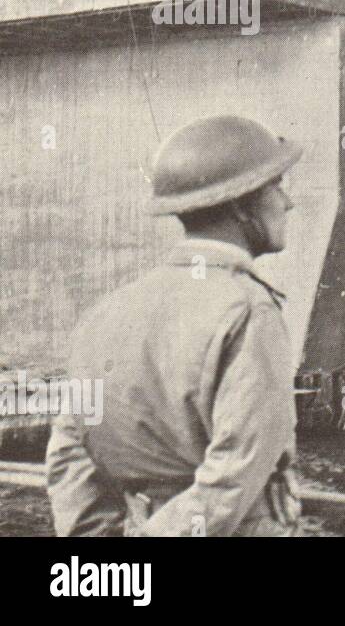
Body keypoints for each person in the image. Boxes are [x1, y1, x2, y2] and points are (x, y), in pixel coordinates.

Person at [46, 115, 304, 536]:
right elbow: (237, 469)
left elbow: (70, 457)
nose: (287, 201)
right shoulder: (248, 310)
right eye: (276, 184)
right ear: (242, 204)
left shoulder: (105, 313)